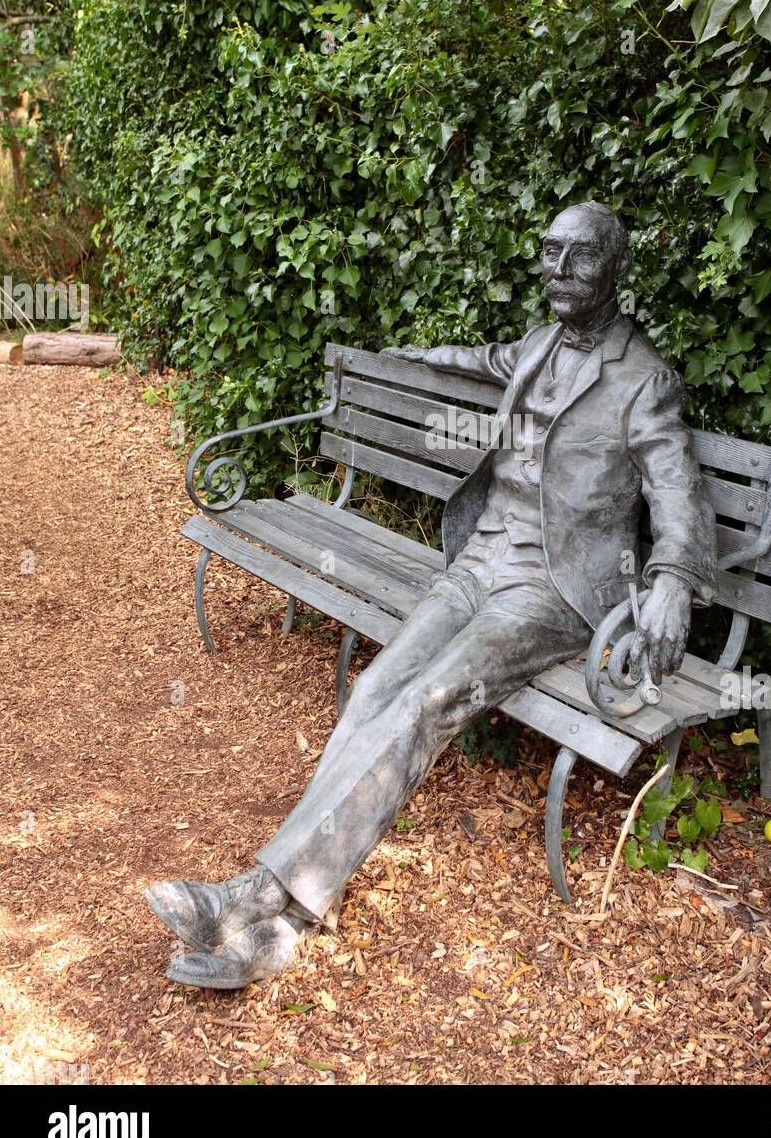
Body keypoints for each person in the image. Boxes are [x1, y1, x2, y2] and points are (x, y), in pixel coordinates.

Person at [146, 201, 717, 988]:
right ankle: (274, 898)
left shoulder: (643, 379)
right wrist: (411, 353)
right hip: (480, 558)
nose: (555, 270)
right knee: (379, 683)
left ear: (615, 268)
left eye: (576, 257)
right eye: (548, 253)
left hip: (554, 588)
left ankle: (273, 909)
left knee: (432, 698)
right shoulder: (539, 341)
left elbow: (677, 491)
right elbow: (480, 358)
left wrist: (672, 581)